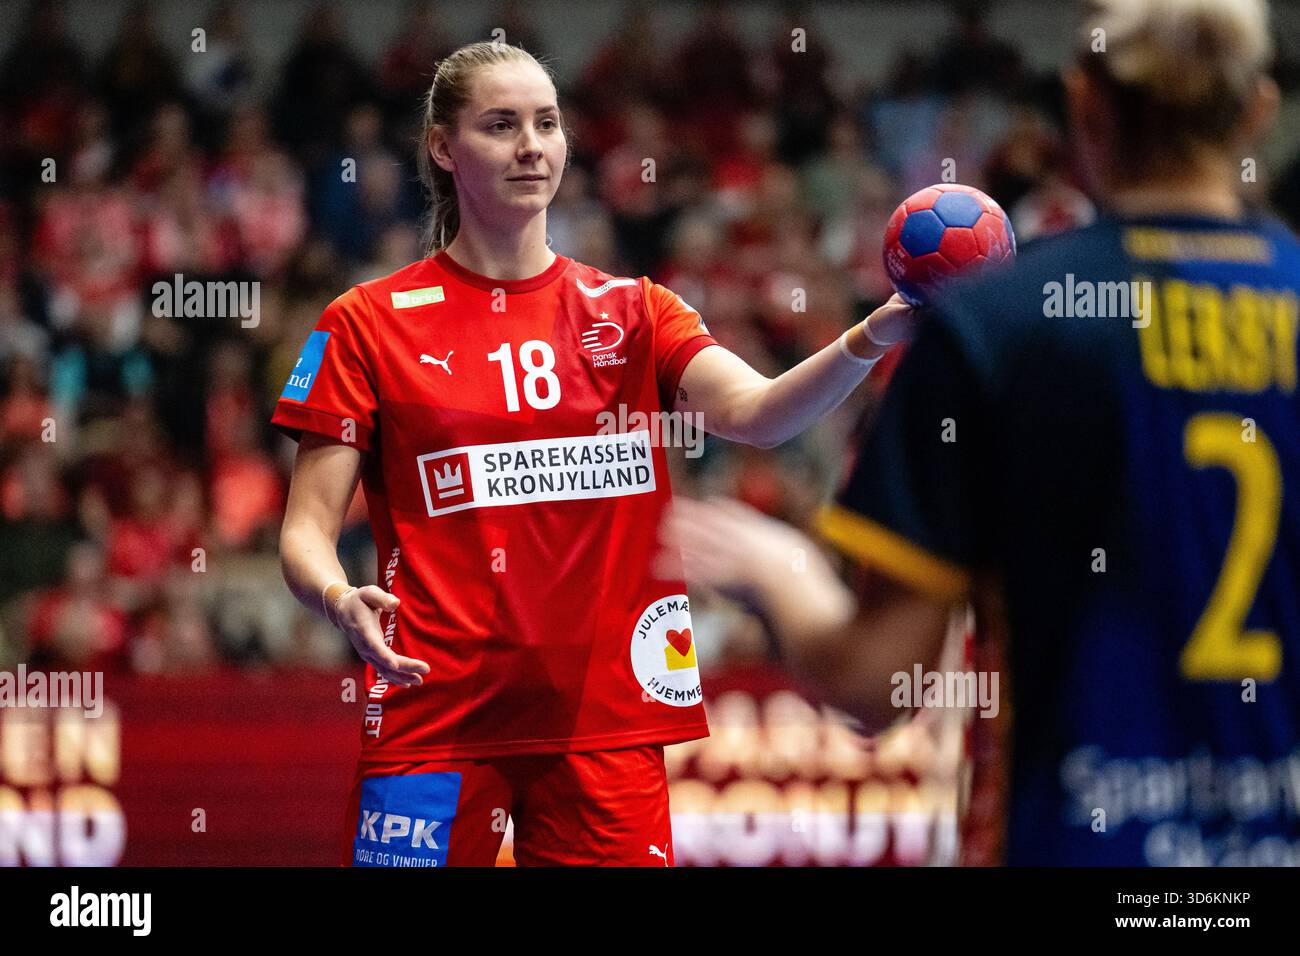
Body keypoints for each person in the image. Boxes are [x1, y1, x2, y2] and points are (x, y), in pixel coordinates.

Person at [670, 0, 1300, 865]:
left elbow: (877, 682)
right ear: (1258, 110)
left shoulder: (995, 327)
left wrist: (778, 572)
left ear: (1085, 105)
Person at [273, 40, 916, 867]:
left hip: (606, 721)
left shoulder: (636, 310)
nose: (531, 145)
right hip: (431, 708)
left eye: (546, 123)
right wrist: (336, 597)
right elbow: (304, 532)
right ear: (443, 147)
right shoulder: (366, 321)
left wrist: (872, 335)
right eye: (500, 126)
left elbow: (757, 414)